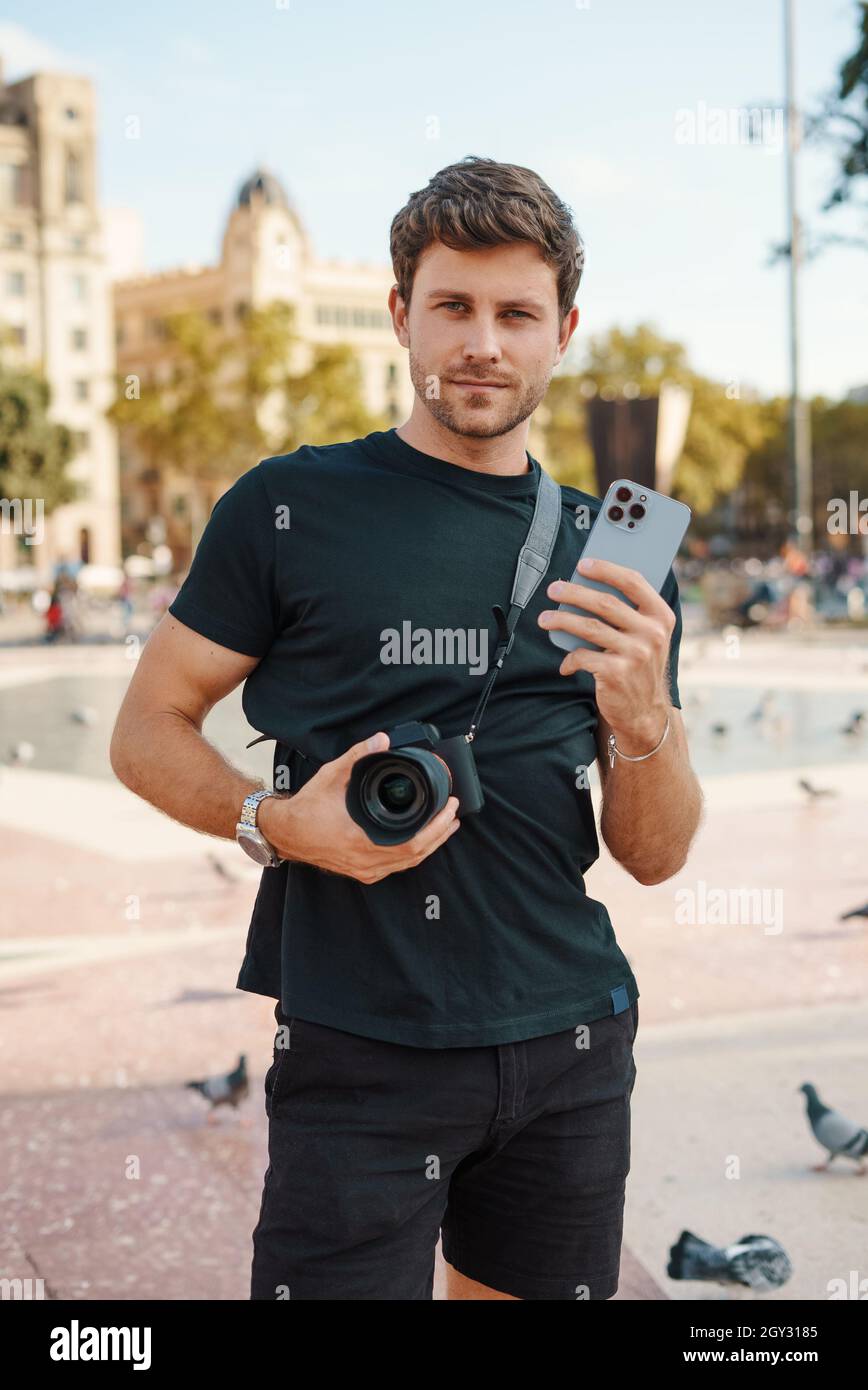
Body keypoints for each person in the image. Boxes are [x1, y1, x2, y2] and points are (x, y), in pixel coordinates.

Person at [110, 156, 703, 1301]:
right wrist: (271, 819)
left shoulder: (613, 549)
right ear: (401, 314)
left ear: (562, 332)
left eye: (516, 313)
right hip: (357, 1048)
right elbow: (145, 727)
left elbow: (657, 852)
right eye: (454, 306)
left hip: (574, 1039)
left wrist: (644, 717)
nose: (483, 341)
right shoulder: (288, 506)